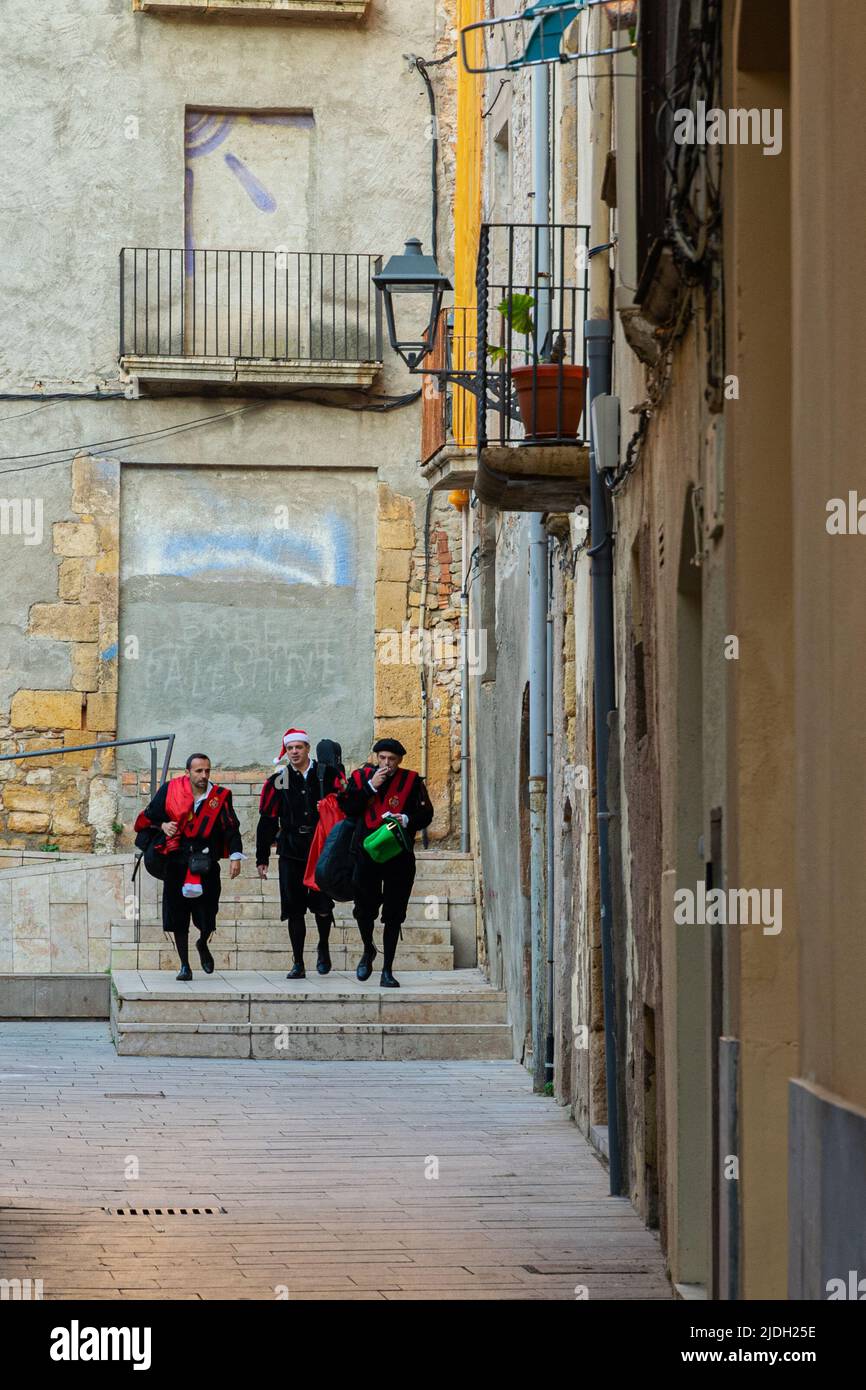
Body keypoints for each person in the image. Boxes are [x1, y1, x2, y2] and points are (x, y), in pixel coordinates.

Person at [133, 753, 244, 981]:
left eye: (207, 771)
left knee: (208, 915)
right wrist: (163, 825)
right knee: (178, 916)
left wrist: (235, 856)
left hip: (206, 862)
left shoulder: (219, 797)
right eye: (198, 771)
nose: (203, 775)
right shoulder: (170, 790)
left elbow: (231, 827)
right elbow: (149, 816)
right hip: (176, 861)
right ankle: (184, 965)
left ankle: (203, 942)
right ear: (188, 772)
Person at [339, 737, 434, 988]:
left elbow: (426, 814)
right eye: (382, 758)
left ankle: (387, 969)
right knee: (364, 909)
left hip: (399, 856)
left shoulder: (412, 781)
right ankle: (368, 948)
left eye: (392, 759)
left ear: (399, 760)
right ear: (376, 757)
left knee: (393, 914)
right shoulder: (361, 778)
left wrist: (405, 818)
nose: (387, 763)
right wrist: (371, 786)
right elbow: (347, 806)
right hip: (366, 854)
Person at [256, 727, 344, 979]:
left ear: (307, 748)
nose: (294, 752)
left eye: (299, 747)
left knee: (323, 905)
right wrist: (262, 858)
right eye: (290, 748)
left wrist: (330, 804)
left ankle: (323, 946)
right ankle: (298, 962)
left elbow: (347, 803)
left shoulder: (328, 774)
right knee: (294, 909)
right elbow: (268, 819)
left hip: (322, 850)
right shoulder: (279, 780)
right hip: (291, 850)